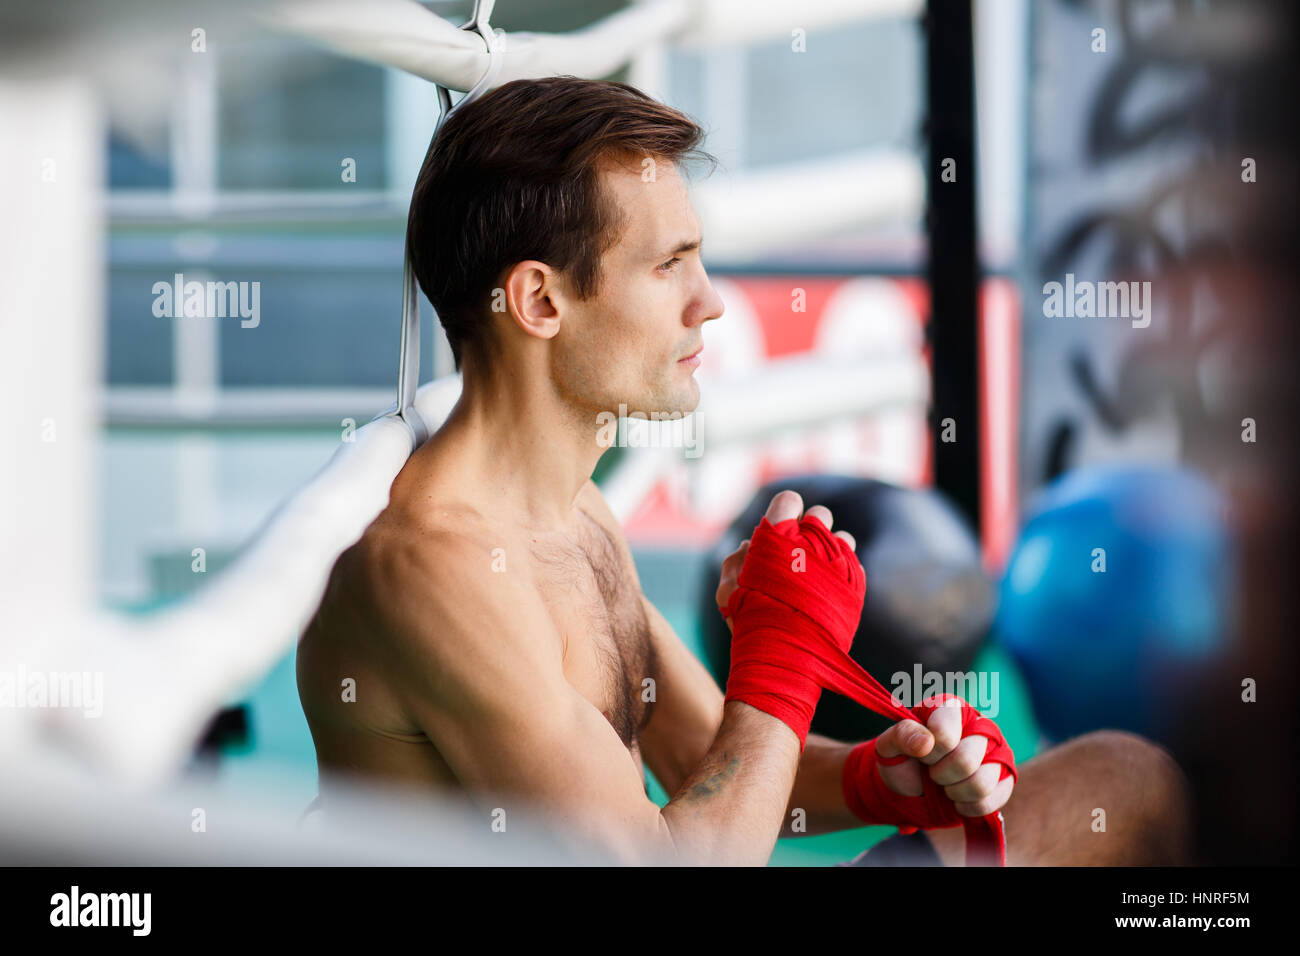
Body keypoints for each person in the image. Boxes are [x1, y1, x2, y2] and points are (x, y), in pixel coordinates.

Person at [297, 76, 1192, 865]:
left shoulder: (574, 514)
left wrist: (885, 780)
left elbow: (705, 764)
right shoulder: (433, 571)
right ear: (539, 301)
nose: (710, 301)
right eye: (669, 266)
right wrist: (786, 656)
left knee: (1123, 780)